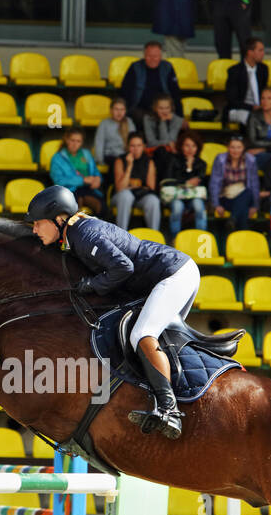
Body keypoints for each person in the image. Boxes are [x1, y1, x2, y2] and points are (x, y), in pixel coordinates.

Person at [25, 185, 200, 439]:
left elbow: (123, 268)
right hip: (172, 273)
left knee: (142, 335)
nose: (34, 229)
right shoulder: (76, 233)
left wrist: (91, 286)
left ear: (59, 219)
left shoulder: (84, 236)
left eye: (38, 223)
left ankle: (169, 410)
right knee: (150, 341)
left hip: (173, 274)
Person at [157, 129, 208, 239]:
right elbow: (168, 179)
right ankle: (176, 239)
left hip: (193, 197)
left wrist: (190, 168)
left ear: (198, 148)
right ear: (181, 146)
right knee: (177, 207)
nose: (190, 149)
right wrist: (187, 178)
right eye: (187, 146)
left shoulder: (201, 164)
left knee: (199, 206)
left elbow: (201, 182)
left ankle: (202, 239)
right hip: (176, 196)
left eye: (193, 146)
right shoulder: (172, 160)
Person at [119, 41, 182, 127]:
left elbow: (175, 93)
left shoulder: (167, 67)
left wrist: (180, 117)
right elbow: (125, 92)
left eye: (155, 56)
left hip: (164, 110)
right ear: (144, 56)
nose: (152, 59)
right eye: (149, 56)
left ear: (161, 56)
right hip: (140, 110)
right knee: (143, 119)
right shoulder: (135, 67)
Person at [49, 127, 105, 218]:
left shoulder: (86, 154)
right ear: (67, 140)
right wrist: (82, 180)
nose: (75, 144)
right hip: (70, 190)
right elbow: (58, 180)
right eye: (72, 140)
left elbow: (95, 172)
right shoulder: (57, 158)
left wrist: (98, 179)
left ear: (82, 142)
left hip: (89, 189)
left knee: (102, 207)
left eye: (78, 141)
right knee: (74, 207)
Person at [209, 135, 259, 235]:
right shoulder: (220, 159)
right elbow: (215, 182)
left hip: (244, 196)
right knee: (243, 210)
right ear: (228, 147)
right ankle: (242, 241)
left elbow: (254, 182)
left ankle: (232, 220)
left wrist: (255, 205)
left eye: (239, 147)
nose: (235, 150)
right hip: (226, 197)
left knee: (248, 193)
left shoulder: (250, 160)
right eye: (232, 147)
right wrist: (216, 204)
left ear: (243, 148)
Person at [113, 133, 161, 232]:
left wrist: (131, 185)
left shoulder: (149, 161)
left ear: (143, 147)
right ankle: (121, 234)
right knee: (126, 195)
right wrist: (129, 166)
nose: (136, 149)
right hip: (120, 197)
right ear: (127, 147)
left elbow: (150, 187)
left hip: (140, 197)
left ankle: (154, 238)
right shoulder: (120, 160)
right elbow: (120, 188)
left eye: (139, 145)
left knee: (153, 200)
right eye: (132, 146)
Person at [224, 36, 268, 126]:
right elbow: (232, 100)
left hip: (261, 108)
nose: (263, 53)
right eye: (260, 50)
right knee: (248, 116)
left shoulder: (263, 69)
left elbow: (264, 90)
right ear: (250, 52)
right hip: (239, 109)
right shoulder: (235, 71)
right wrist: (252, 107)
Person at [244, 87, 271, 172]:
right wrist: (268, 149)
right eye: (263, 98)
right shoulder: (253, 117)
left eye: (269, 98)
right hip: (258, 154)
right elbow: (252, 141)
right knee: (269, 159)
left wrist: (265, 149)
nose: (264, 101)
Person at [93, 97, 135, 166]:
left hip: (125, 155)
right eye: (116, 109)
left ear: (125, 111)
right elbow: (99, 144)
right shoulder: (104, 123)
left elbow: (134, 140)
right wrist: (100, 161)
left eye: (122, 109)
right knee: (118, 162)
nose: (119, 112)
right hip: (110, 155)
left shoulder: (129, 122)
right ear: (111, 110)